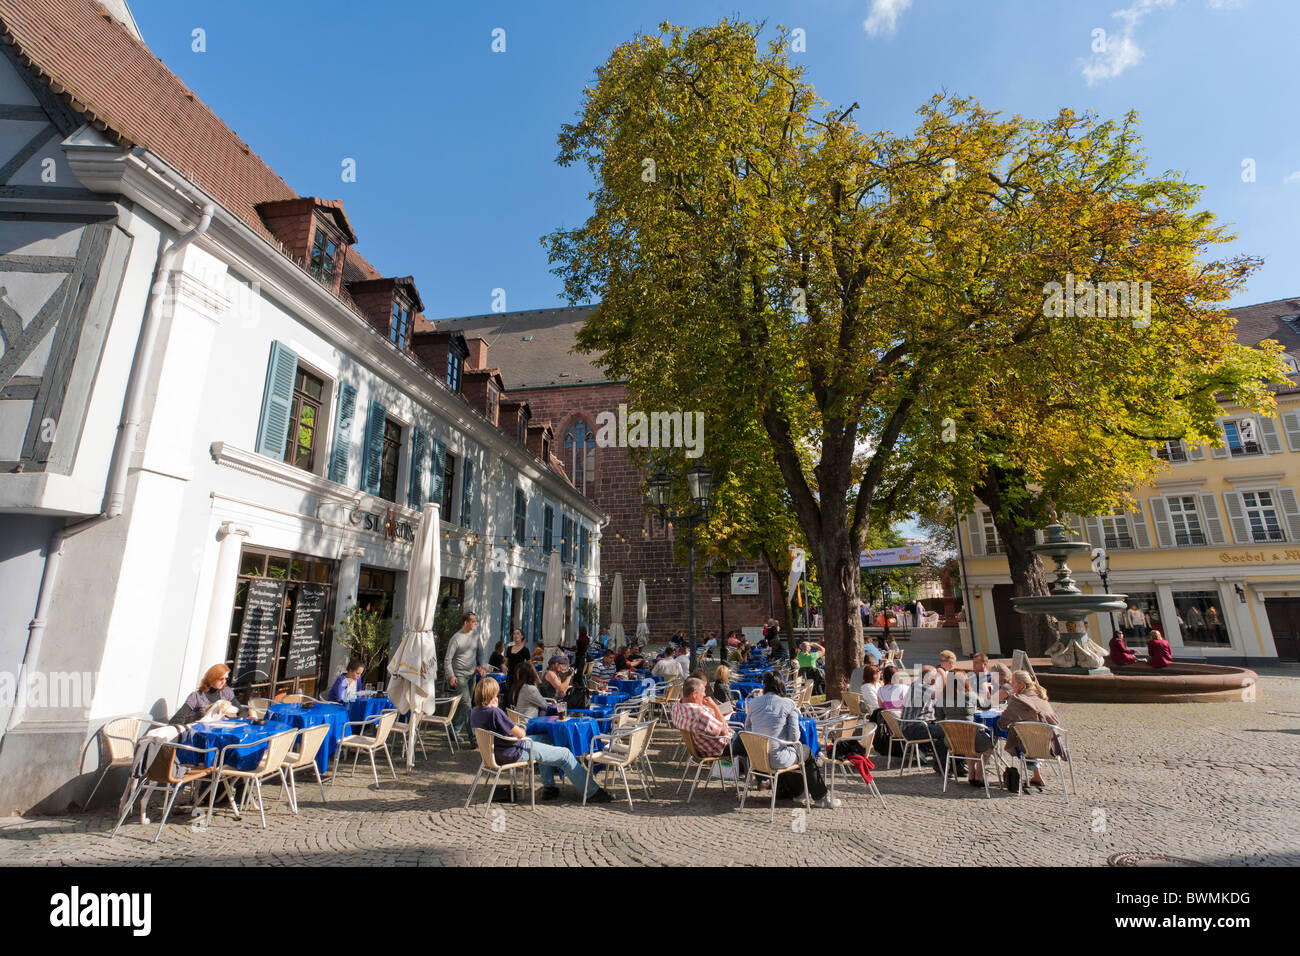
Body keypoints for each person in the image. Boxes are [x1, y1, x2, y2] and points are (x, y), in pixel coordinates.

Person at [469, 677, 613, 803]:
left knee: (546, 738)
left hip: (496, 751)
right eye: (496, 694)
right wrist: (519, 727)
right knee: (565, 754)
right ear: (492, 695)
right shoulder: (494, 712)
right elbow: (520, 733)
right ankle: (592, 792)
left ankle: (549, 786)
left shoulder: (475, 712)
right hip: (512, 751)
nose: (498, 696)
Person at [743, 672, 837, 808]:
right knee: (806, 752)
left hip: (757, 758)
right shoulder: (789, 704)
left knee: (794, 752)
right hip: (777, 758)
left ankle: (797, 792)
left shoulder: (753, 703)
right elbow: (794, 737)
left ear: (764, 686)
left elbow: (748, 729)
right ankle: (821, 797)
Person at [998, 670, 1062, 792]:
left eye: (1013, 683)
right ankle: (1037, 775)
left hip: (1032, 746)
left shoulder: (1017, 700)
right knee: (1030, 733)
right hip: (1053, 745)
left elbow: (1002, 723)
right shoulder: (1041, 697)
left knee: (1023, 736)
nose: (1011, 686)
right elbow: (1053, 721)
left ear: (1021, 685)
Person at [671, 676, 739, 762]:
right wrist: (715, 707)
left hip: (698, 747)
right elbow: (724, 732)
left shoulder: (676, 705)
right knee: (750, 740)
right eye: (703, 692)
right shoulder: (700, 714)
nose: (704, 695)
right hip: (717, 748)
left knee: (741, 732)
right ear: (694, 695)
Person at [444, 611, 485, 745]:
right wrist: (451, 675)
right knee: (467, 705)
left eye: (476, 621)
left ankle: (453, 731)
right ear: (465, 622)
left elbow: (480, 653)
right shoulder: (456, 638)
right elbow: (447, 660)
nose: (476, 623)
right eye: (473, 621)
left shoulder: (476, 636)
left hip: (472, 675)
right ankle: (473, 738)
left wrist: (481, 666)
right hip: (459, 675)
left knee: (464, 706)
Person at [171, 664, 237, 723]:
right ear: (212, 678)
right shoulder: (196, 696)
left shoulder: (226, 692)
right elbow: (177, 719)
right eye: (221, 679)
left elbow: (241, 711)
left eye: (226, 679)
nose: (224, 682)